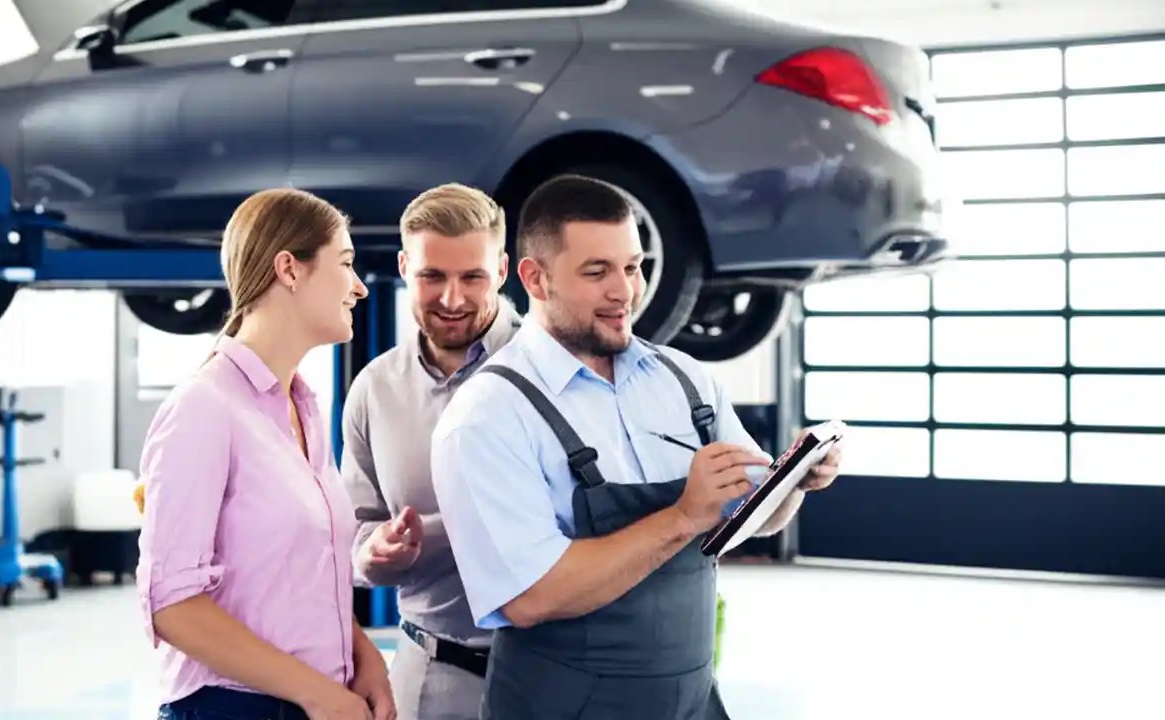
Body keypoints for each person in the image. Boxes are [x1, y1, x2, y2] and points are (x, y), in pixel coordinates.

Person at [430, 174, 842, 719]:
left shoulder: (686, 382)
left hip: (690, 704)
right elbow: (530, 597)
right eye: (597, 272)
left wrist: (794, 482)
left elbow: (751, 516)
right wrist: (682, 516)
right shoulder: (489, 415)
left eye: (633, 266)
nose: (624, 291)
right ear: (535, 278)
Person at [135, 188, 397, 720]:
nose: (358, 288)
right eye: (345, 264)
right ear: (290, 270)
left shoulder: (305, 408)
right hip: (230, 708)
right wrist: (318, 695)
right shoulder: (204, 407)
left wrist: (364, 655)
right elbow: (172, 605)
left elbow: (300, 581)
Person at [341, 183, 519, 719]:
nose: (452, 299)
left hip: (550, 673)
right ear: (403, 266)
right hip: (429, 677)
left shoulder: (552, 371)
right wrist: (372, 555)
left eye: (473, 277)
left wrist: (435, 536)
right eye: (432, 276)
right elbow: (354, 532)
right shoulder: (376, 388)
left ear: (504, 270)